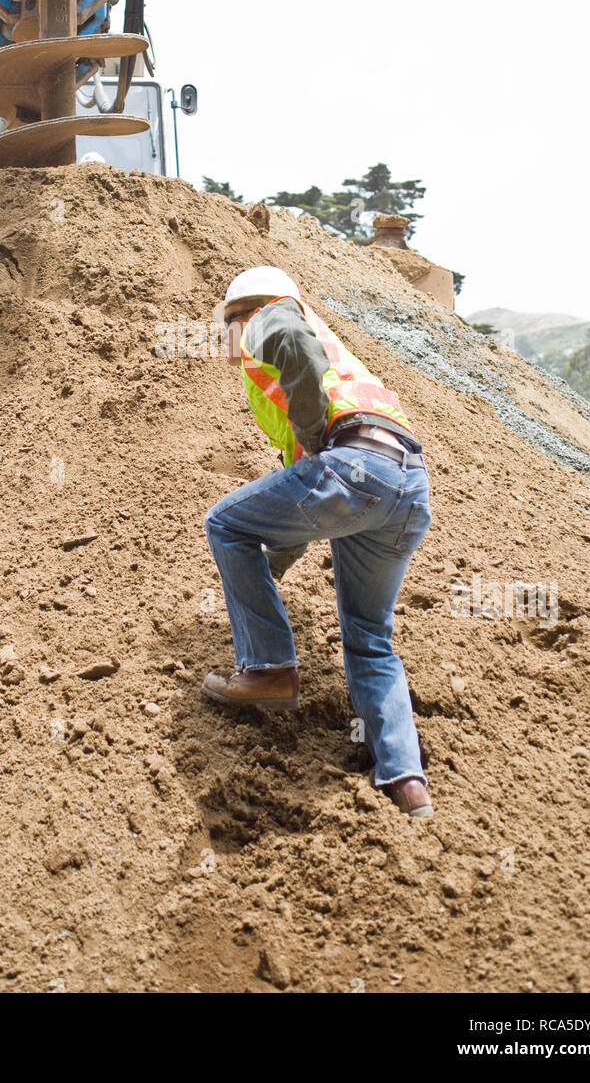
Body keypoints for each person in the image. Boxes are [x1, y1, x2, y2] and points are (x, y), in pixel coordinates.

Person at [202, 266, 434, 817]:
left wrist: (312, 436)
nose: (227, 343)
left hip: (352, 466)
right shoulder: (338, 368)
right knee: (370, 638)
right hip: (406, 483)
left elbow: (290, 343)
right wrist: (264, 574)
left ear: (239, 312)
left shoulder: (270, 315)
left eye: (224, 326)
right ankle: (406, 781)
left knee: (223, 524)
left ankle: (269, 669)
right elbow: (299, 515)